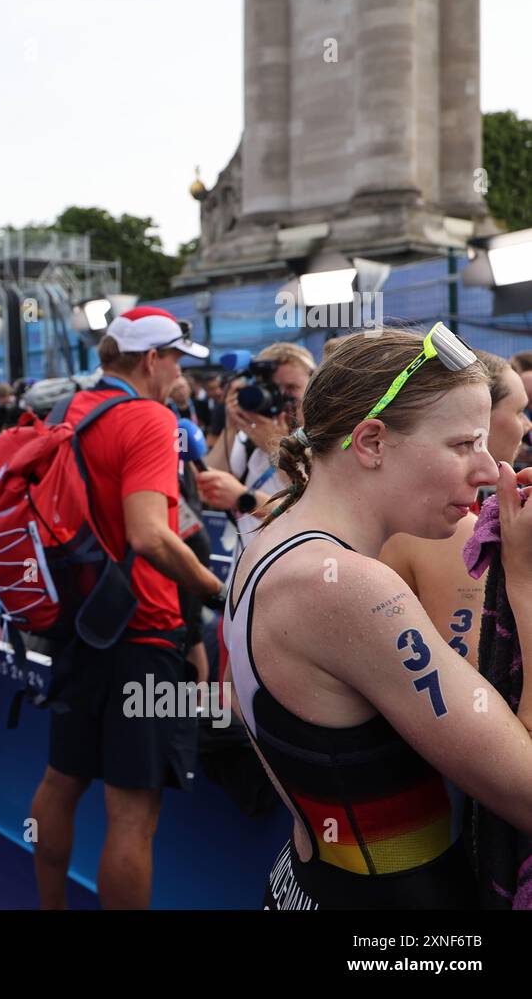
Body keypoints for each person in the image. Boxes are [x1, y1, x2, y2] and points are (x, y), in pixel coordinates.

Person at [224, 326, 532, 909]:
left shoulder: (266, 539)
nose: (490, 471)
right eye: (464, 444)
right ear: (371, 442)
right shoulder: (346, 586)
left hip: (308, 885)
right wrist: (525, 582)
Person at [29, 306, 222, 910]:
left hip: (79, 624)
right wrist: (219, 593)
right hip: (142, 634)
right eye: (174, 362)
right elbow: (150, 534)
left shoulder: (69, 410)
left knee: (61, 781)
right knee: (133, 814)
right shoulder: (149, 418)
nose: (178, 377)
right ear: (150, 359)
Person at [379, 350, 532, 667]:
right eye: (519, 411)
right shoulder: (444, 529)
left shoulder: (403, 513)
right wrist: (521, 574)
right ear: (480, 415)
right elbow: (483, 685)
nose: (526, 426)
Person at [198, 342, 316, 550]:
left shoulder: (326, 444)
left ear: (312, 389)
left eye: (291, 388)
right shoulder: (247, 443)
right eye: (270, 388)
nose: (279, 397)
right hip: (247, 569)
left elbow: (314, 506)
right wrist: (232, 425)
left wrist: (275, 448)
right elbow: (205, 484)